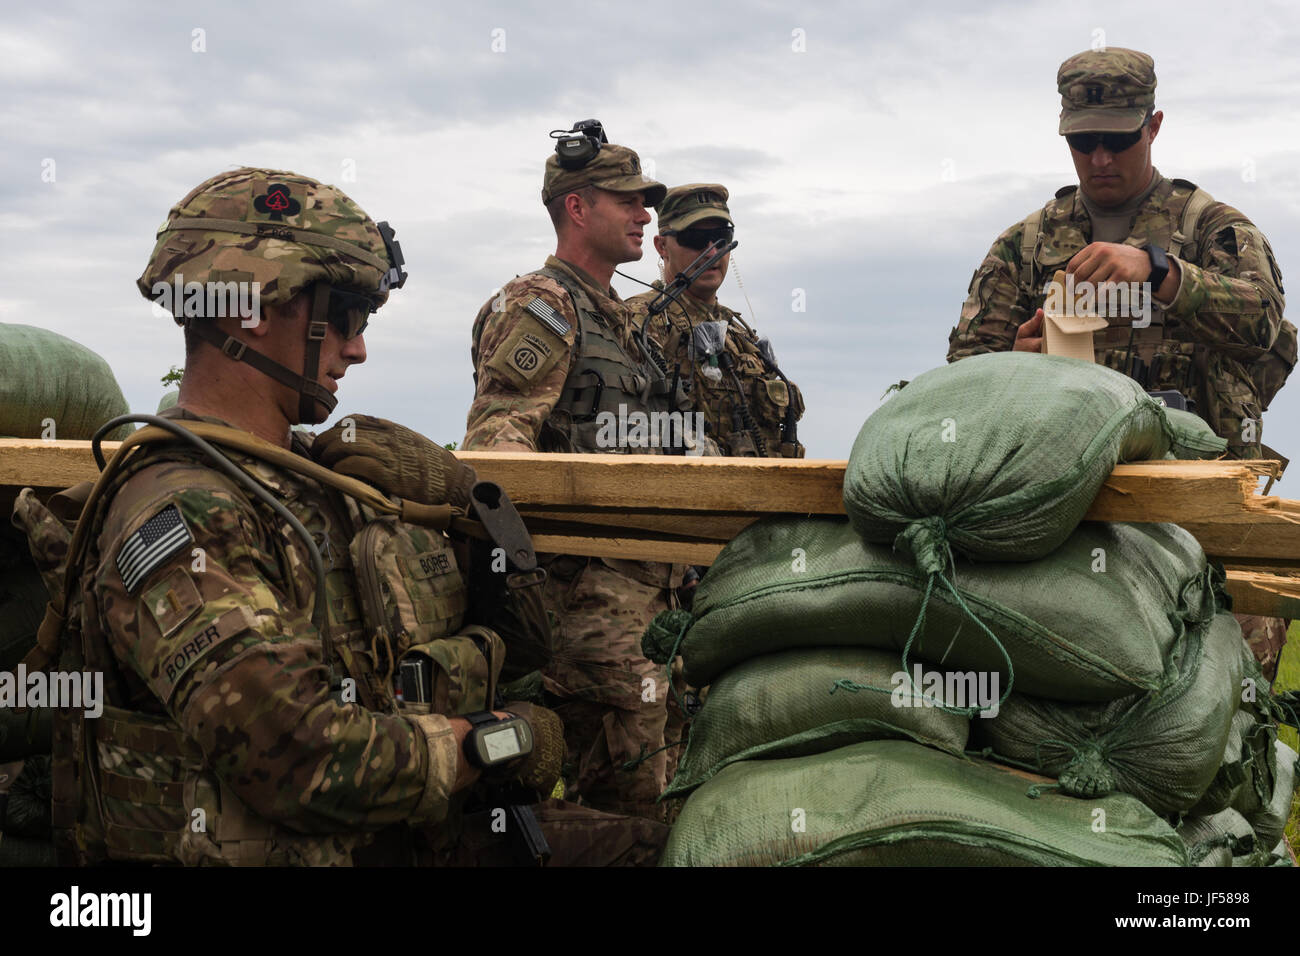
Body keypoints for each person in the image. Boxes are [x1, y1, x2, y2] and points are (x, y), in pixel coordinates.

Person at [13, 167, 562, 866]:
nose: (357, 347)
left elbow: (527, 642)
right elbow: (294, 754)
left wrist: (465, 504)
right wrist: (497, 741)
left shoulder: (317, 479)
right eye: (344, 317)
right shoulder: (179, 509)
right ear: (250, 310)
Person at [948, 47, 1295, 680]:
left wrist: (1163, 271)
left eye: (1117, 139)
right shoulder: (1027, 244)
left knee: (1228, 689)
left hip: (1203, 506)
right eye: (1083, 144)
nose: (1099, 159)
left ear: (1154, 126)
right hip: (1072, 511)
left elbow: (1264, 322)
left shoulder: (1211, 230)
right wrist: (1014, 361)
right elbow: (962, 368)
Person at [463, 125, 689, 823]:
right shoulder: (542, 306)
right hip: (591, 621)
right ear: (578, 208)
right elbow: (497, 453)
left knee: (667, 803)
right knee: (624, 816)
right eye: (628, 200)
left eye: (647, 201)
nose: (646, 215)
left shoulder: (626, 323)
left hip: (654, 604)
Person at [628, 183, 805, 459]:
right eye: (696, 239)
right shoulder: (643, 321)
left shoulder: (738, 334)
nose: (712, 252)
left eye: (721, 237)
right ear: (662, 246)